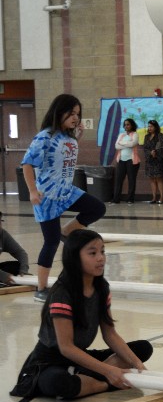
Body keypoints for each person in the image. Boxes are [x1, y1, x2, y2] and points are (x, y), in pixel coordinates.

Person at [10, 229, 152, 400]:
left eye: (102, 251)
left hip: (78, 357)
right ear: (75, 258)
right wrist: (109, 371)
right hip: (50, 361)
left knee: (143, 348)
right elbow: (66, 347)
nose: (101, 258)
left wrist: (137, 364)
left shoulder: (101, 287)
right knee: (59, 382)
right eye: (92, 253)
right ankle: (104, 384)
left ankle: (84, 377)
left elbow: (110, 334)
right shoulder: (62, 293)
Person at [21, 94, 107, 303]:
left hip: (67, 191)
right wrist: (32, 191)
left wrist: (76, 137)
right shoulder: (45, 136)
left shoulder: (68, 137)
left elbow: (63, 154)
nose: (76, 117)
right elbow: (27, 164)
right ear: (59, 112)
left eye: (78, 114)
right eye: (72, 113)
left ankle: (67, 230)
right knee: (50, 243)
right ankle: (41, 288)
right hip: (47, 196)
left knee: (97, 208)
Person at [112, 118, 140, 204]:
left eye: (128, 124)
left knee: (131, 180)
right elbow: (116, 146)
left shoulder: (135, 134)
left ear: (132, 125)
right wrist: (127, 145)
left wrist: (122, 144)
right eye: (125, 124)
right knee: (119, 180)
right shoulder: (121, 135)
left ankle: (130, 199)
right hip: (121, 160)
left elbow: (133, 144)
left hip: (132, 161)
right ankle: (116, 199)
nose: (126, 126)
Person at [0, 210, 30, 286]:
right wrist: (3, 275)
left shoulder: (3, 234)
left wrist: (23, 270)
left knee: (16, 266)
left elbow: (20, 253)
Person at [143, 119, 163, 204]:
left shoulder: (160, 135)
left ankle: (162, 197)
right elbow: (145, 148)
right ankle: (154, 197)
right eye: (149, 126)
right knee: (152, 179)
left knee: (159, 178)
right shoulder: (146, 136)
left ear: (156, 127)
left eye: (151, 126)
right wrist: (150, 153)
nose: (149, 128)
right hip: (149, 160)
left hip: (158, 160)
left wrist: (156, 152)